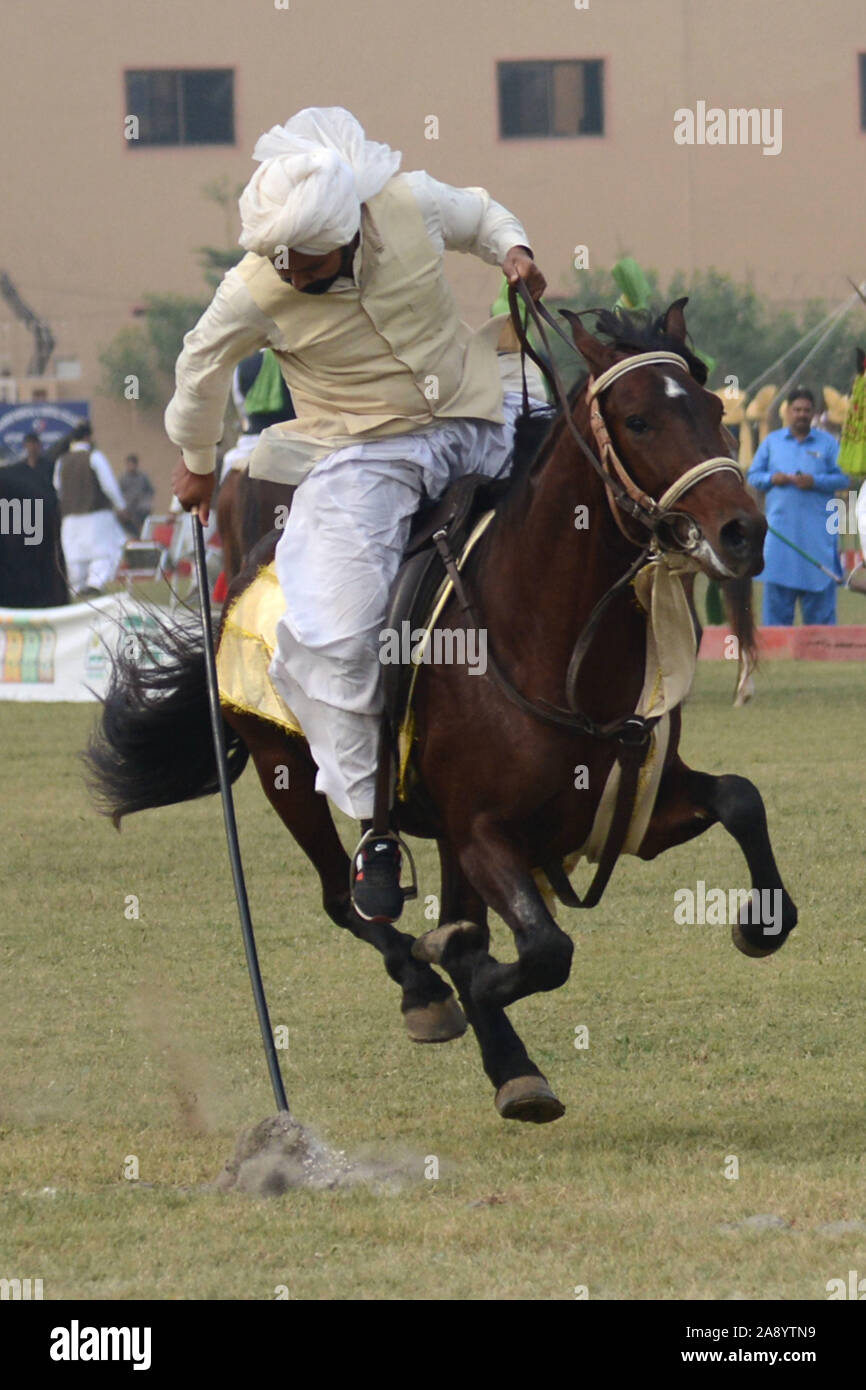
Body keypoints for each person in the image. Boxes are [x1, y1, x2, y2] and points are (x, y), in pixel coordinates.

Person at [167, 105, 549, 923]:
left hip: (483, 412)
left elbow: (479, 214)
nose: (292, 275)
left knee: (611, 465)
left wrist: (514, 249)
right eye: (281, 261)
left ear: (350, 230)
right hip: (364, 457)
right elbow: (198, 368)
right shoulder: (255, 285)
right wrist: (199, 465)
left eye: (306, 262)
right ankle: (378, 825)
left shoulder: (405, 203)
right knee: (335, 635)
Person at [747, 386, 848, 625]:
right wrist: (773, 478)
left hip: (817, 538)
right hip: (781, 538)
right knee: (776, 613)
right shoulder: (772, 442)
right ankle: (777, 656)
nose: (802, 414)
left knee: (821, 607)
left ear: (813, 413)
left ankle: (823, 653)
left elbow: (844, 477)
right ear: (788, 412)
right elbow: (753, 475)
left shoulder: (828, 443)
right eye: (797, 410)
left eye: (806, 410)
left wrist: (815, 481)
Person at [54, 422, 129, 596]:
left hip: (70, 519)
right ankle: (94, 585)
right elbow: (109, 485)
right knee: (103, 552)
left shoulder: (61, 461)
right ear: (88, 437)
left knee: (75, 557)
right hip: (97, 516)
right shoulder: (94, 457)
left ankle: (76, 589)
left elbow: (57, 488)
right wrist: (121, 506)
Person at [119, 453, 155, 536]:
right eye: (129, 464)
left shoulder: (143, 477)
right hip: (128, 509)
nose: (131, 466)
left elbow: (150, 491)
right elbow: (119, 493)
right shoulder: (123, 478)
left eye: (133, 464)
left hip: (141, 508)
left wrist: (146, 501)